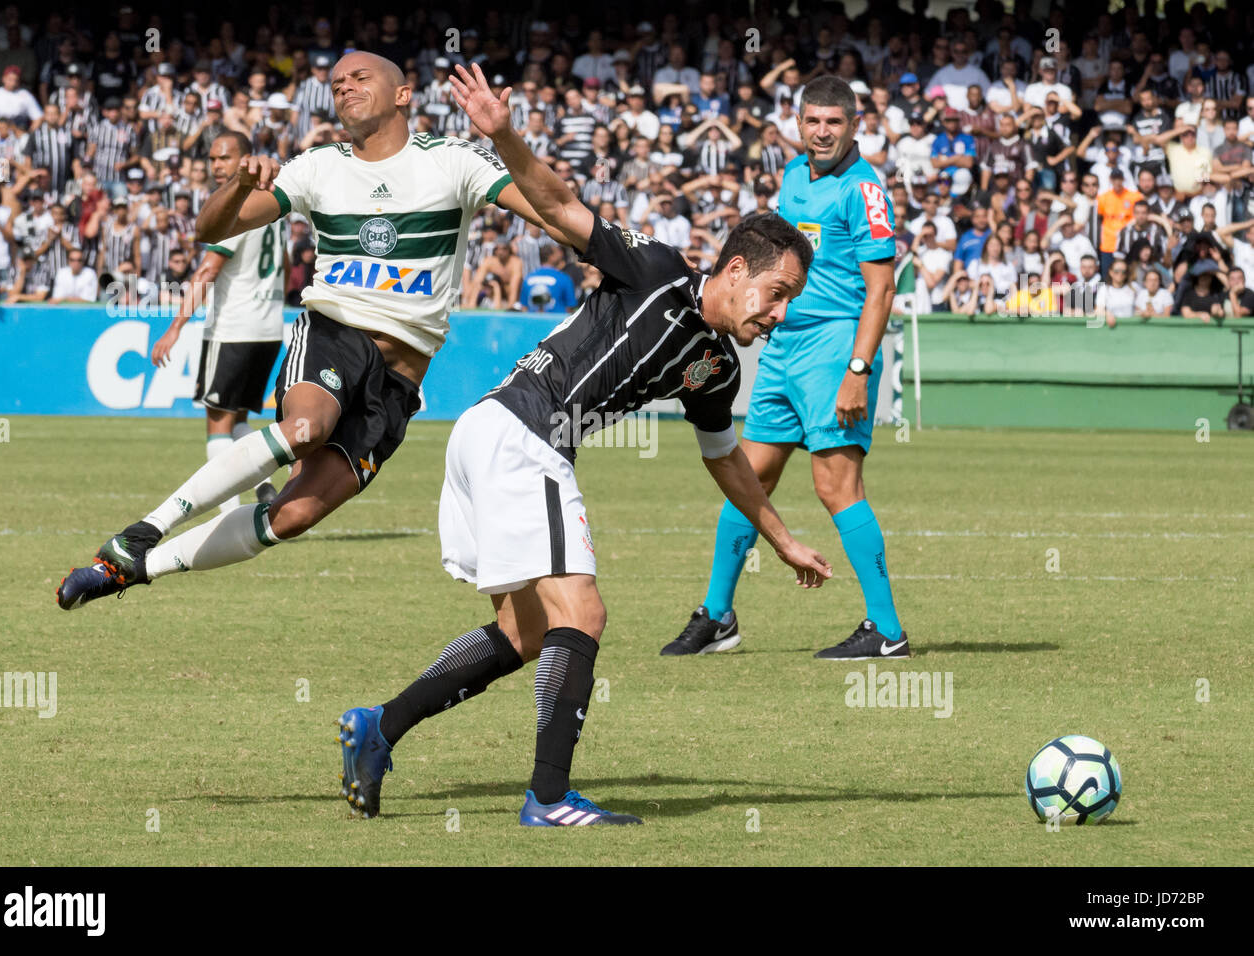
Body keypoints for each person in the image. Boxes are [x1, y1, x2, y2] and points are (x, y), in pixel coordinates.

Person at [334, 62, 828, 826]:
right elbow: (563, 207)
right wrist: (502, 134)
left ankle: (379, 727)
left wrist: (785, 540)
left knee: (525, 631)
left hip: (495, 435)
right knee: (583, 614)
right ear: (735, 271)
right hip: (522, 432)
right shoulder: (657, 271)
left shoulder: (716, 365)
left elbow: (726, 457)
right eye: (777, 294)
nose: (780, 314)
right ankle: (551, 798)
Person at [56, 51, 565, 609]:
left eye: (359, 78)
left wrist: (506, 136)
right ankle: (143, 530)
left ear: (402, 94)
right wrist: (236, 183)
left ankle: (129, 569)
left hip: (399, 378)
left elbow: (555, 210)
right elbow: (210, 228)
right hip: (335, 331)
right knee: (305, 428)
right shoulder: (318, 166)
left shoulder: (454, 161)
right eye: (335, 83)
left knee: (294, 515)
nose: (344, 87)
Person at [667, 75, 905, 660]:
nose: (822, 131)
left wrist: (858, 367)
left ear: (855, 126)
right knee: (749, 476)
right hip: (783, 348)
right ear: (798, 123)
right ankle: (718, 616)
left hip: (833, 348)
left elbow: (881, 288)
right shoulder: (793, 177)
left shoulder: (865, 189)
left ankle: (886, 631)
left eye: (834, 122)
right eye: (813, 121)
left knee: (835, 485)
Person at [145, 131, 288, 516]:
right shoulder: (274, 206)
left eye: (225, 158)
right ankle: (265, 485)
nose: (216, 166)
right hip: (268, 328)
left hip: (234, 328)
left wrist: (175, 326)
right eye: (212, 159)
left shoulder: (237, 208)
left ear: (245, 161)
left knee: (217, 422)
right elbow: (283, 267)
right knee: (238, 417)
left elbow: (208, 268)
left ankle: (228, 517)